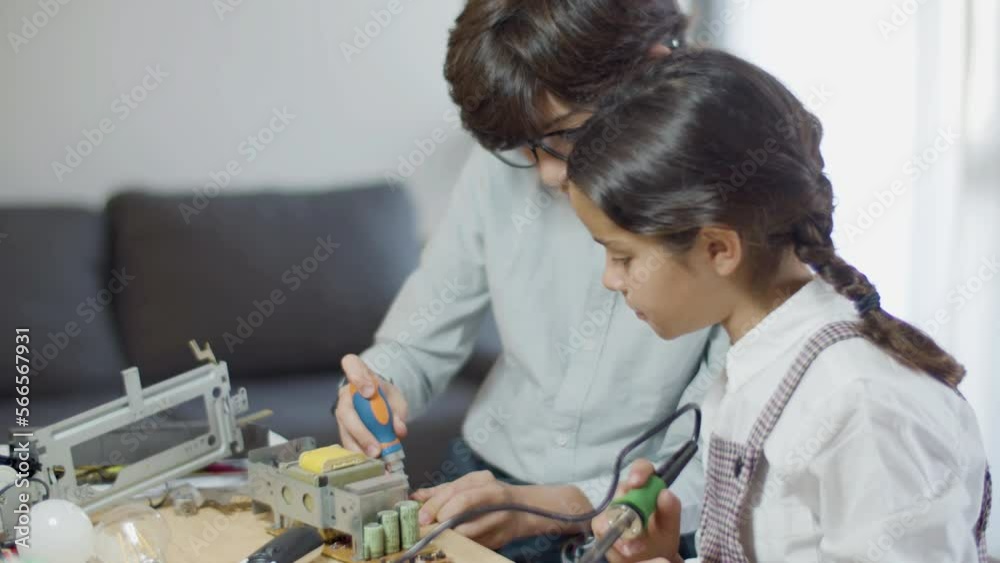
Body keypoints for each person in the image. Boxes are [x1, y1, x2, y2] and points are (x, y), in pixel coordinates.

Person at [332, 1, 728, 561]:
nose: (547, 173)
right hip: (481, 483)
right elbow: (417, 340)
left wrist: (541, 507)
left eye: (566, 135)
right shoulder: (504, 165)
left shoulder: (730, 209)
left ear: (652, 67)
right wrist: (380, 383)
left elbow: (712, 464)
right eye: (523, 146)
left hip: (630, 524)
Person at [566, 49, 992, 562]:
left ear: (718, 249)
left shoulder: (856, 400)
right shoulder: (756, 370)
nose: (611, 280)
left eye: (623, 256)